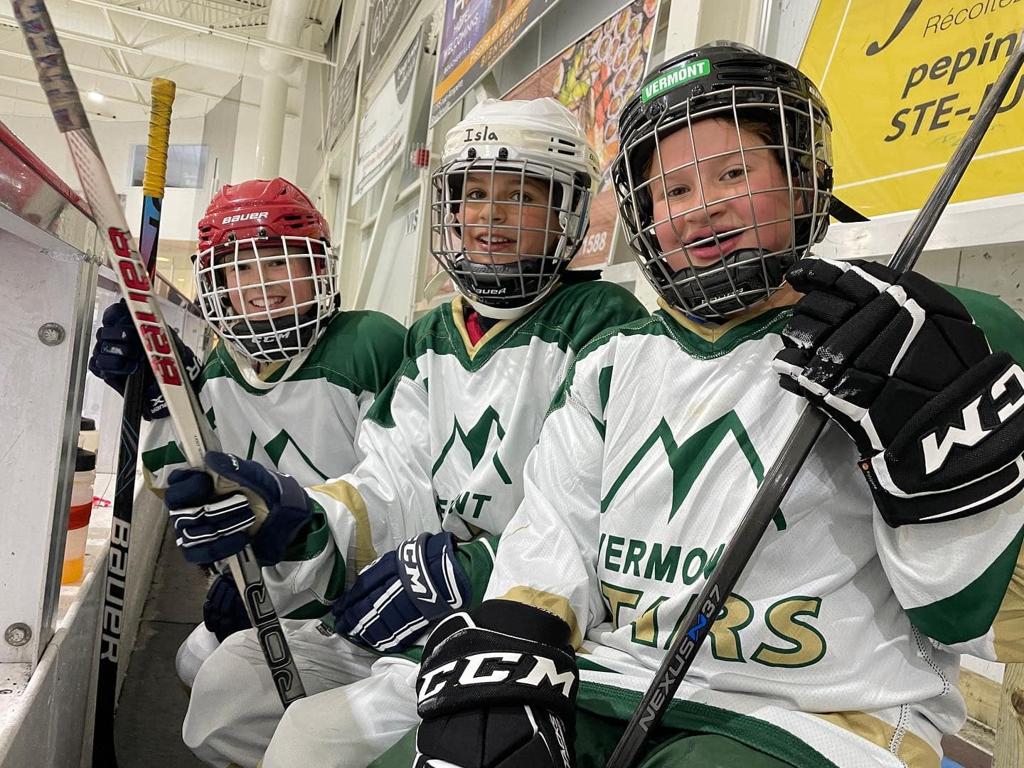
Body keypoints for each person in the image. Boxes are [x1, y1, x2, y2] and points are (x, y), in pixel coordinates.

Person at [376, 42, 1024, 768]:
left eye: (734, 174)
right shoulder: (614, 363)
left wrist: (929, 434)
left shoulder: (913, 339)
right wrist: (514, 660)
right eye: (674, 191)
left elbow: (956, 609)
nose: (702, 209)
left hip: (817, 717)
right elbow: (553, 537)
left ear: (804, 185)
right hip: (610, 685)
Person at [171, 97, 649, 768]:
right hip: (423, 600)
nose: (489, 214)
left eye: (521, 195)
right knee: (227, 695)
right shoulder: (433, 331)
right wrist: (302, 517)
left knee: (309, 744)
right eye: (473, 193)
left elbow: (601, 507)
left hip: (527, 618)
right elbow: (391, 480)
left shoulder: (604, 321)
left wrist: (474, 567)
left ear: (567, 212)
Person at [89, 177, 406, 685]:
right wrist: (164, 398)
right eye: (238, 267)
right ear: (219, 285)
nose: (261, 283)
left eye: (279, 260)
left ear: (316, 266)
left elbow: (405, 493)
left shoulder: (372, 344)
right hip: (278, 578)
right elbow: (182, 483)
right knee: (197, 664)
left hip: (364, 585)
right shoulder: (219, 369)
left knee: (240, 686)